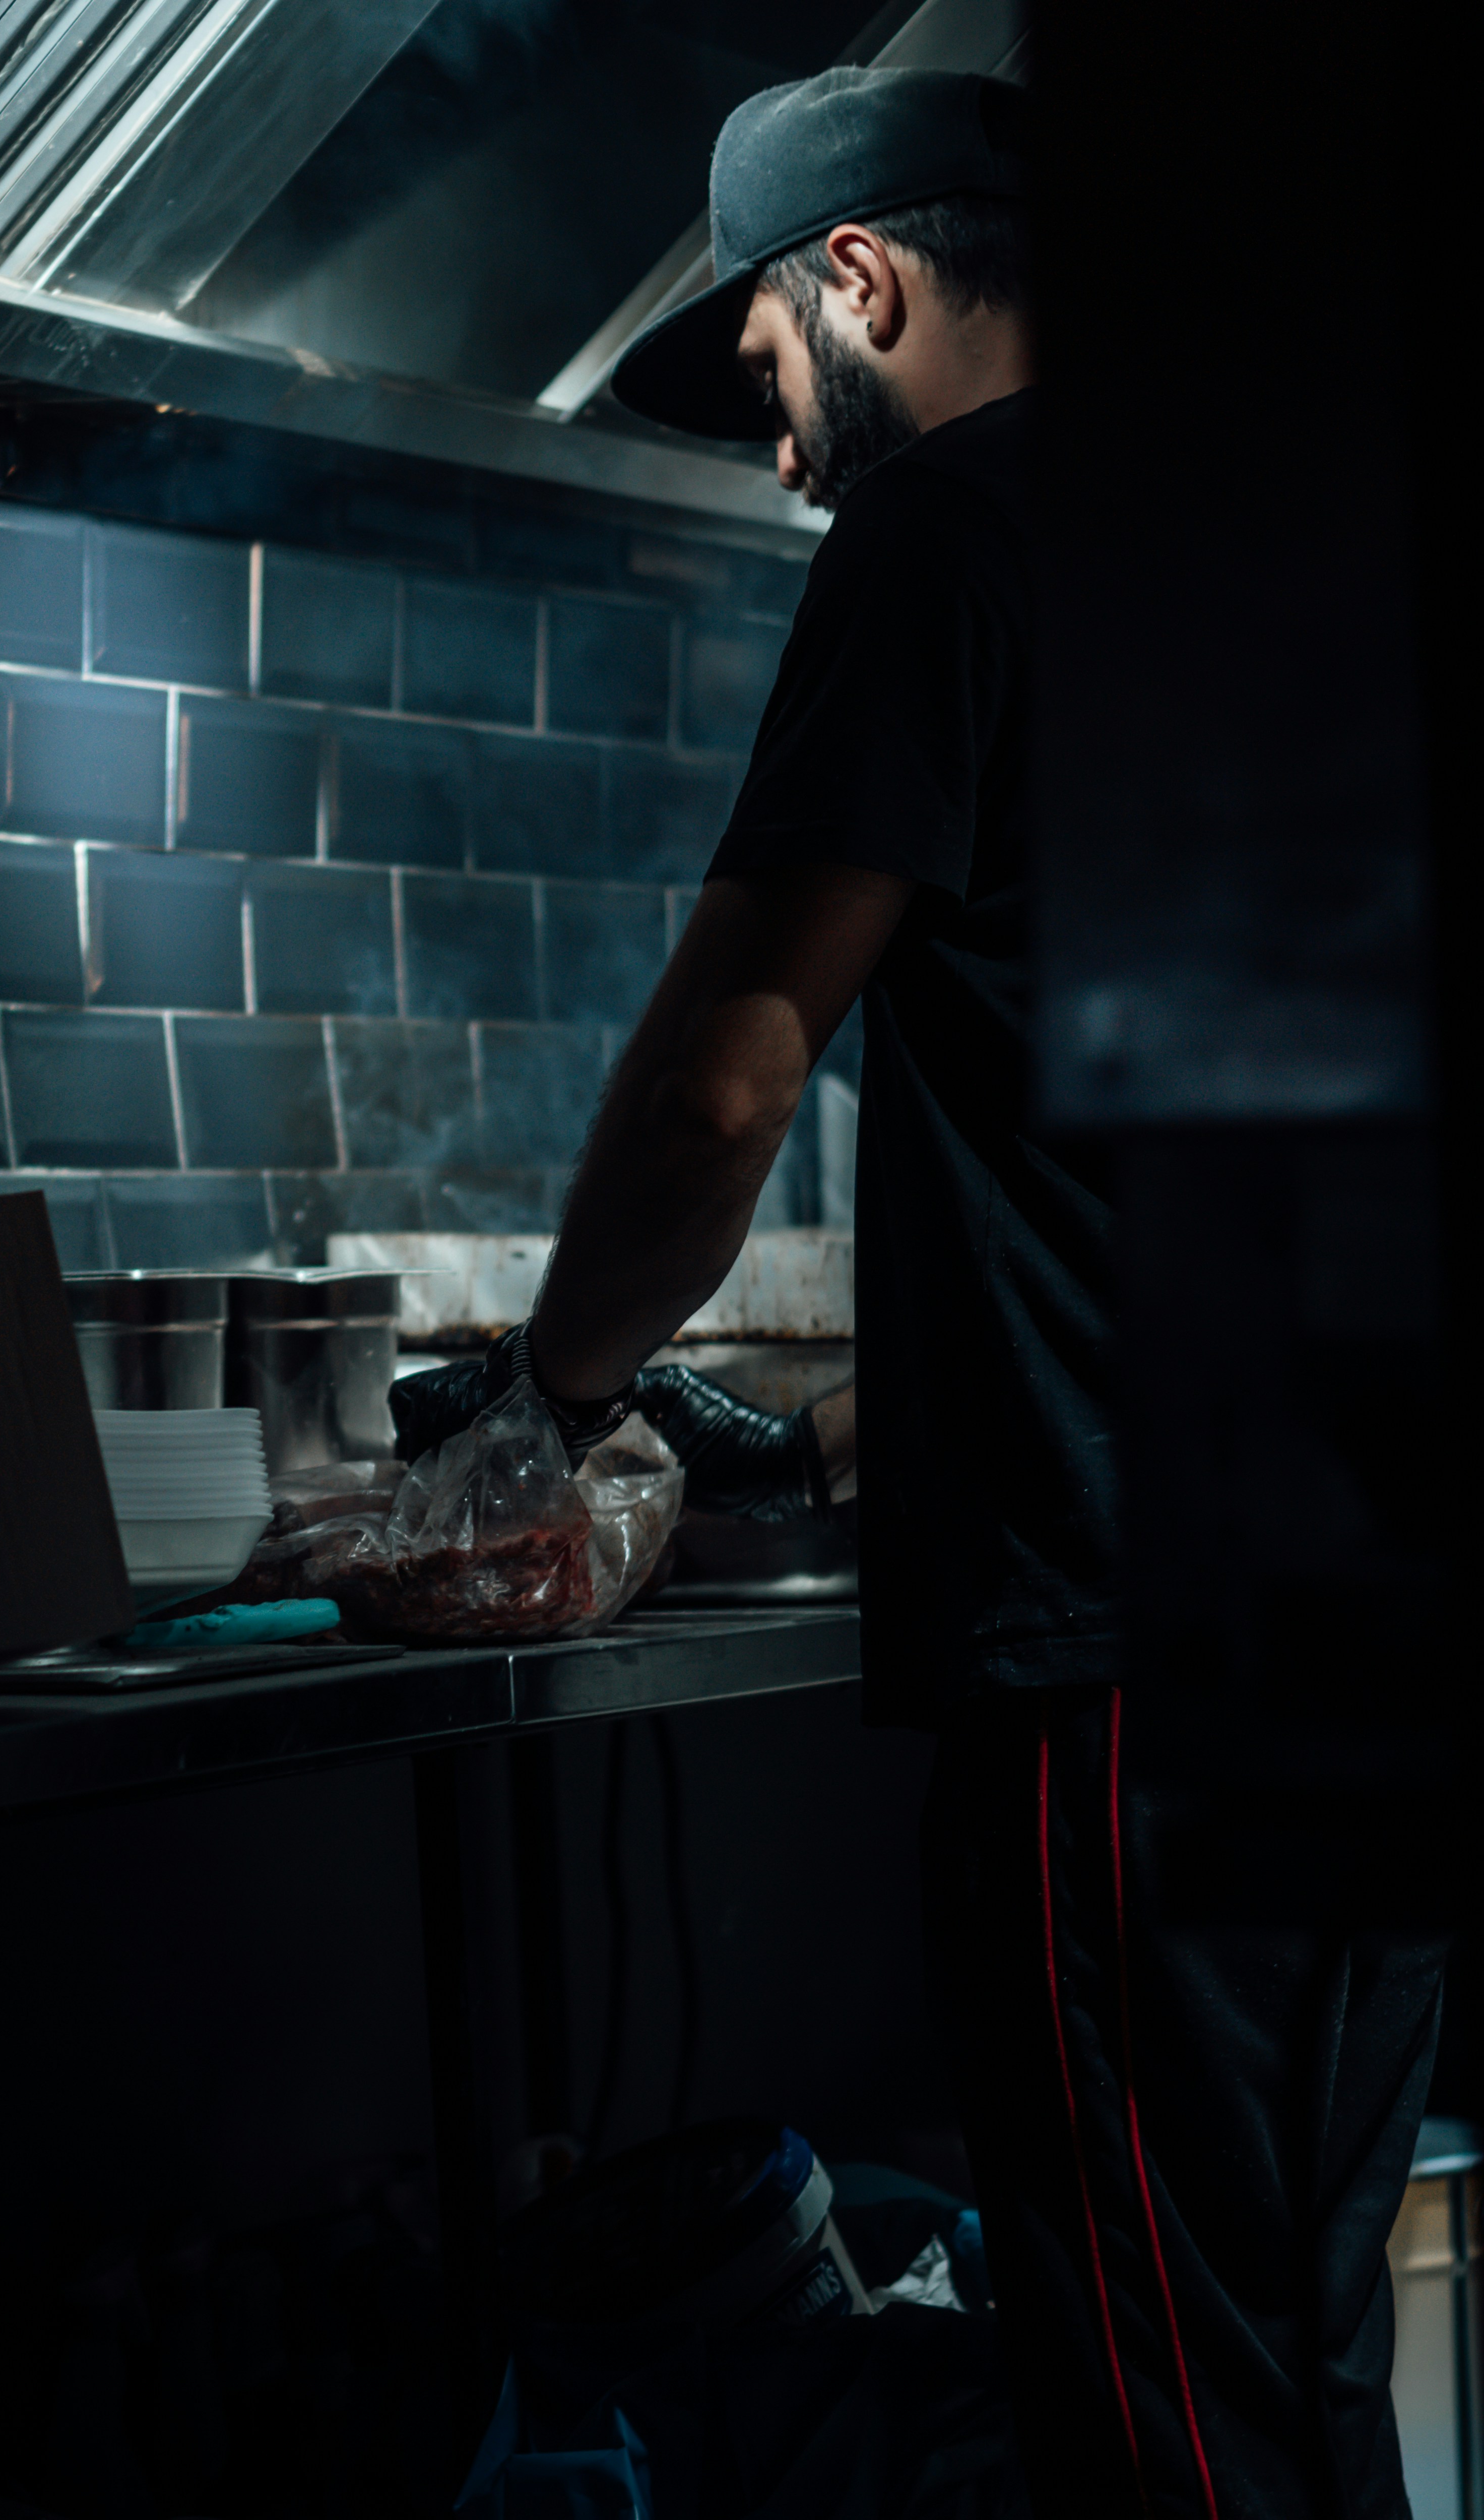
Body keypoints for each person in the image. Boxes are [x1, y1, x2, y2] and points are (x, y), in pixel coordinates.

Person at [394, 67, 1446, 2520]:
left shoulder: (947, 530)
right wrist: (881, 1415)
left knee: (1164, 2407)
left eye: (766, 377)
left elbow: (716, 1085)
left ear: (853, 281)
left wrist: (546, 1402)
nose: (782, 458)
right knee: (1283, 2353)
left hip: (1135, 1650)